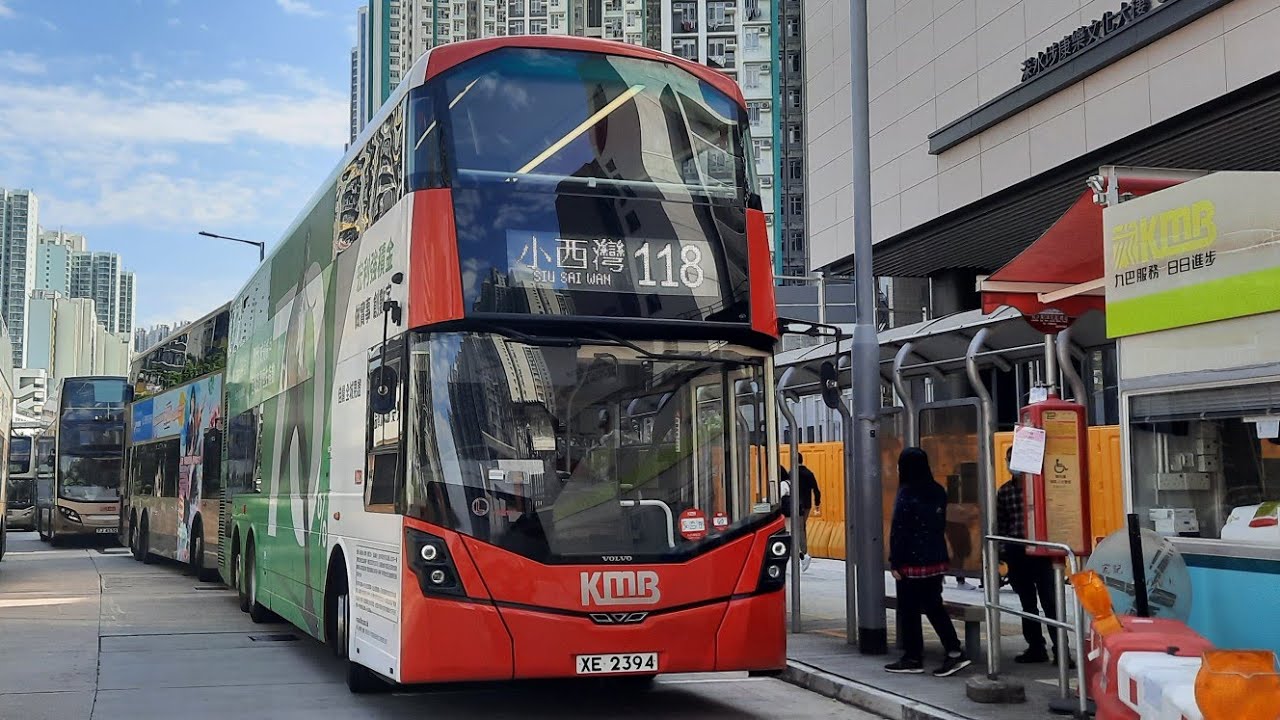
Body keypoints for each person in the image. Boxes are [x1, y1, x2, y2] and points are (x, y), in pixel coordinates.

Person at [886, 447, 970, 677]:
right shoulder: (937, 490)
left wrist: (896, 562)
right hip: (935, 558)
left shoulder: (907, 493)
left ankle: (913, 657)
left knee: (909, 609)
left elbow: (900, 530)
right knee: (934, 606)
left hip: (911, 562)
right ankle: (954, 651)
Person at [997, 446, 1067, 664]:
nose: (1012, 465)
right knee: (1027, 603)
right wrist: (1002, 551)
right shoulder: (1005, 491)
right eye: (1009, 460)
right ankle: (1036, 647)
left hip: (1041, 551)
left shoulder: (1041, 488)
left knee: (1050, 602)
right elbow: (1001, 523)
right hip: (1017, 551)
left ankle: (1061, 651)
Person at [779, 458, 821, 571]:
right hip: (803, 506)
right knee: (800, 529)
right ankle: (803, 553)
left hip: (789, 512)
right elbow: (816, 490)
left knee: (790, 534)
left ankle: (802, 555)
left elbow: (778, 497)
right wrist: (817, 504)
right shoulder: (808, 473)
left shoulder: (790, 475)